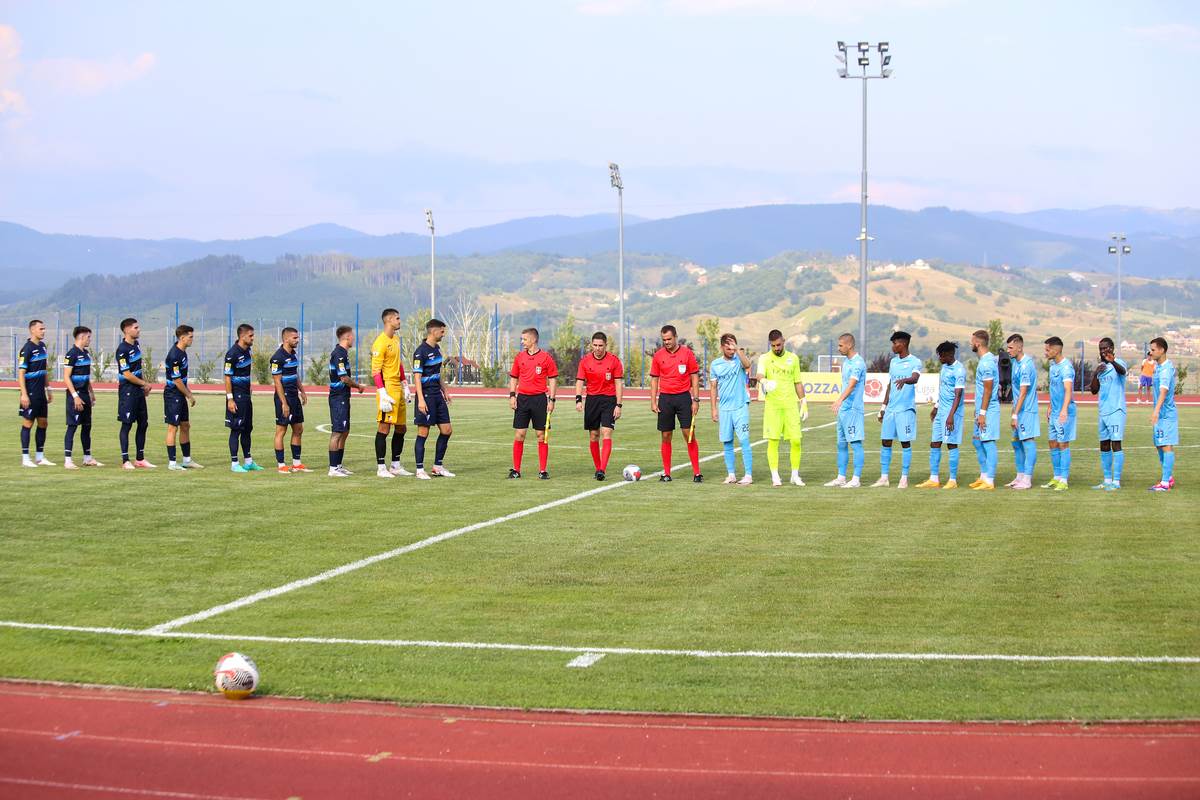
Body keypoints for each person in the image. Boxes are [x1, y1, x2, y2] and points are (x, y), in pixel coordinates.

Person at [649, 325, 702, 483]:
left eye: (669, 339)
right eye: (664, 340)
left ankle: (697, 473)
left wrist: (696, 399)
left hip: (683, 398)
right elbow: (654, 379)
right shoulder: (658, 356)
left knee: (689, 434)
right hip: (665, 399)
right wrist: (653, 400)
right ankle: (666, 473)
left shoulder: (687, 353)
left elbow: (694, 376)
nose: (666, 342)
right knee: (666, 435)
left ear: (676, 337)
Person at [756, 329, 808, 487]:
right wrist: (764, 381)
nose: (776, 348)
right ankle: (775, 475)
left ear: (784, 341)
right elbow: (758, 375)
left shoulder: (793, 359)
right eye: (773, 346)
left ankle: (794, 475)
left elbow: (797, 382)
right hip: (773, 407)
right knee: (773, 442)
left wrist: (803, 402)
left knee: (796, 441)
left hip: (790, 406)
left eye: (778, 345)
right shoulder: (764, 358)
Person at [873, 331, 921, 489]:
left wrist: (905, 380)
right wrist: (883, 407)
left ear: (904, 343)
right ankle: (884, 477)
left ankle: (904, 478)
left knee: (905, 443)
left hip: (905, 410)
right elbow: (889, 385)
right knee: (885, 441)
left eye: (895, 343)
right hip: (891, 410)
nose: (893, 346)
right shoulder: (893, 362)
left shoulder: (915, 361)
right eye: (893, 343)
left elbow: (915, 378)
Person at [508, 327, 557, 479]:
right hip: (522, 399)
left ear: (533, 339)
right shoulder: (520, 357)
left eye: (524, 339)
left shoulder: (546, 357)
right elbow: (514, 377)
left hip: (539, 400)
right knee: (519, 434)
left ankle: (543, 471)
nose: (522, 342)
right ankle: (516, 470)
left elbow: (553, 378)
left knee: (541, 435)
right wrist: (512, 395)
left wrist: (552, 399)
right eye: (522, 339)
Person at [574, 331, 623, 480]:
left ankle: (602, 469)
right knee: (594, 435)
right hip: (592, 400)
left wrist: (619, 405)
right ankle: (598, 468)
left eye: (601, 345)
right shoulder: (585, 361)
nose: (598, 348)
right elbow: (580, 381)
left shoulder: (614, 361)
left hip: (609, 401)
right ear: (591, 345)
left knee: (606, 432)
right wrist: (578, 399)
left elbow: (618, 383)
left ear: (606, 345)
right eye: (595, 345)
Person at [917, 341, 965, 489]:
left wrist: (951, 415)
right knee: (935, 443)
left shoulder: (959, 370)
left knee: (951, 444)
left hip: (952, 413)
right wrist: (936, 407)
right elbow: (943, 389)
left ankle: (952, 480)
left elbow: (958, 395)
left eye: (941, 355)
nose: (939, 358)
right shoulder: (944, 368)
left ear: (950, 354)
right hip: (941, 411)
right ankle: (934, 479)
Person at [371, 308, 412, 479]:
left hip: (397, 387)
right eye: (397, 318)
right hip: (387, 388)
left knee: (402, 428)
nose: (399, 321)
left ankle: (395, 465)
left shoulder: (395, 339)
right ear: (388, 320)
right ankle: (381, 467)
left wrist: (405, 385)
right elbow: (375, 371)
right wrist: (382, 392)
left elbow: (399, 363)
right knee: (384, 427)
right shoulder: (380, 342)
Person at [412, 318, 455, 480]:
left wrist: (445, 391)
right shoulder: (420, 352)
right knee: (423, 432)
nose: (443, 334)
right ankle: (419, 470)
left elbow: (437, 374)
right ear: (433, 331)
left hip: (438, 395)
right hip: (426, 396)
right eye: (442, 331)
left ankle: (437, 466)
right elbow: (417, 377)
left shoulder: (437, 349)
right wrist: (421, 400)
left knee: (447, 430)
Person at [709, 333, 753, 485]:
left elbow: (748, 365)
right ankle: (731, 475)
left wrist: (738, 350)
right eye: (728, 347)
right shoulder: (715, 364)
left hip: (740, 406)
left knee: (744, 440)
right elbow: (713, 387)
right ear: (722, 347)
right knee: (727, 442)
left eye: (733, 346)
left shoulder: (739, 360)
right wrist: (714, 409)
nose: (731, 350)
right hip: (724, 408)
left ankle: (748, 475)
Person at [825, 332, 866, 489]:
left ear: (849, 345)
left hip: (853, 410)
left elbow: (852, 385)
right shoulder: (846, 363)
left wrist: (839, 400)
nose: (838, 348)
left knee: (855, 444)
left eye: (841, 345)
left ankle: (856, 479)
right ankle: (841, 477)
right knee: (841, 444)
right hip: (843, 411)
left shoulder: (858, 363)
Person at [116, 317, 155, 470]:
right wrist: (144, 383)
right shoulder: (122, 350)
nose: (139, 330)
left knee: (143, 423)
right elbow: (127, 374)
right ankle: (125, 460)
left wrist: (144, 385)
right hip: (127, 392)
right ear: (127, 330)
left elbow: (138, 370)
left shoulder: (137, 345)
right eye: (136, 327)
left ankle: (140, 458)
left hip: (138, 391)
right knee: (127, 425)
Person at [1089, 337, 1127, 491]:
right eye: (1101, 348)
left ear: (1112, 348)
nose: (1103, 351)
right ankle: (1106, 479)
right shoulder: (1101, 367)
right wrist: (1094, 374)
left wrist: (1112, 361)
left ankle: (1116, 481)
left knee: (1116, 444)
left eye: (1106, 348)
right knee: (1104, 445)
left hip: (1116, 410)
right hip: (1103, 411)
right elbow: (1093, 390)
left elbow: (1122, 371)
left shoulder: (1119, 363)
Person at [327, 325, 366, 477]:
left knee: (345, 431)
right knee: (337, 432)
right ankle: (332, 468)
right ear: (347, 336)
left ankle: (338, 465)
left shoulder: (343, 353)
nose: (354, 338)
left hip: (343, 397)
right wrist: (358, 386)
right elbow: (343, 378)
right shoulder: (339, 354)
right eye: (352, 336)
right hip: (338, 397)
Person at [62, 325, 101, 469]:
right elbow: (66, 377)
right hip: (75, 395)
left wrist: (91, 393)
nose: (90, 340)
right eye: (89, 337)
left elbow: (86, 376)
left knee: (87, 427)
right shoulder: (71, 354)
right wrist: (75, 396)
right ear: (82, 337)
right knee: (72, 427)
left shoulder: (86, 354)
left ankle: (87, 458)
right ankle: (68, 460)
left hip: (85, 394)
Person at [271, 327, 309, 474]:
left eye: (297, 337)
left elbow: (295, 375)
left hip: (294, 397)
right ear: (286, 339)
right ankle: (281, 465)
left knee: (298, 429)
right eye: (294, 338)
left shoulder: (293, 355)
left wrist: (302, 391)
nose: (297, 340)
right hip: (284, 397)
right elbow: (277, 382)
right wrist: (284, 403)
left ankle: (297, 463)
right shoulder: (277, 357)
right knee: (281, 430)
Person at [163, 325, 202, 471]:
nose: (192, 339)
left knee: (185, 425)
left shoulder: (183, 353)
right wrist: (189, 395)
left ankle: (187, 460)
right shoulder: (174, 355)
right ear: (182, 338)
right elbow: (177, 380)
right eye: (190, 337)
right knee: (173, 427)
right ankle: (172, 463)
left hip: (180, 395)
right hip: (173, 395)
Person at [224, 323, 261, 472]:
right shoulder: (232, 354)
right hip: (237, 397)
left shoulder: (248, 352)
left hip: (246, 396)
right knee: (236, 429)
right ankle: (234, 464)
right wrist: (230, 399)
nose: (253, 338)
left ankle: (248, 461)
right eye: (251, 335)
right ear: (242, 336)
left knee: (247, 429)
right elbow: (227, 377)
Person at [1042, 336, 1077, 491]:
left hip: (1065, 412)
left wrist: (1063, 409)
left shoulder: (1066, 367)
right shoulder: (1053, 367)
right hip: (1054, 411)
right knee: (1052, 443)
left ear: (1056, 350)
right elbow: (1054, 389)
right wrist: (1050, 405)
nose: (1046, 352)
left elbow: (1068, 390)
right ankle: (1056, 477)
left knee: (1063, 444)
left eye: (1048, 349)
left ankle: (1064, 479)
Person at [1004, 334, 1039, 490]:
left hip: (1027, 411)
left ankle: (1027, 479)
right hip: (1018, 409)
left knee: (1028, 442)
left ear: (1020, 347)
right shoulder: (1015, 363)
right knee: (1016, 444)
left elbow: (1024, 392)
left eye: (1011, 347)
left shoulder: (1026, 365)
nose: (1008, 350)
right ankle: (1019, 476)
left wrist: (1015, 414)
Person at [17, 319, 53, 467]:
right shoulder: (27, 349)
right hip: (30, 393)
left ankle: (40, 456)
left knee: (43, 423)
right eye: (41, 329)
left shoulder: (43, 346)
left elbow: (44, 370)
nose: (43, 331)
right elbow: (21, 374)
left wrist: (48, 388)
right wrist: (23, 394)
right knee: (28, 422)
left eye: (44, 328)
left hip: (40, 394)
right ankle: (25, 458)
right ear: (32, 330)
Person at [969, 329, 999, 491]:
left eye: (971, 341)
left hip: (988, 410)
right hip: (982, 408)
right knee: (977, 440)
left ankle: (990, 480)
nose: (970, 344)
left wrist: (982, 413)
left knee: (988, 442)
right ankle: (983, 475)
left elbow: (988, 389)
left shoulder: (987, 363)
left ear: (977, 343)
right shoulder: (985, 361)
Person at [1148, 336, 1178, 492]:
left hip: (1165, 415)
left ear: (1162, 350)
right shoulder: (1158, 367)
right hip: (1161, 415)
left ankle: (1165, 483)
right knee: (1159, 444)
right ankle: (1168, 477)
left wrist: (1156, 410)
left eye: (1153, 350)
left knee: (1166, 446)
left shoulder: (1165, 369)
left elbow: (1164, 391)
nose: (1150, 352)